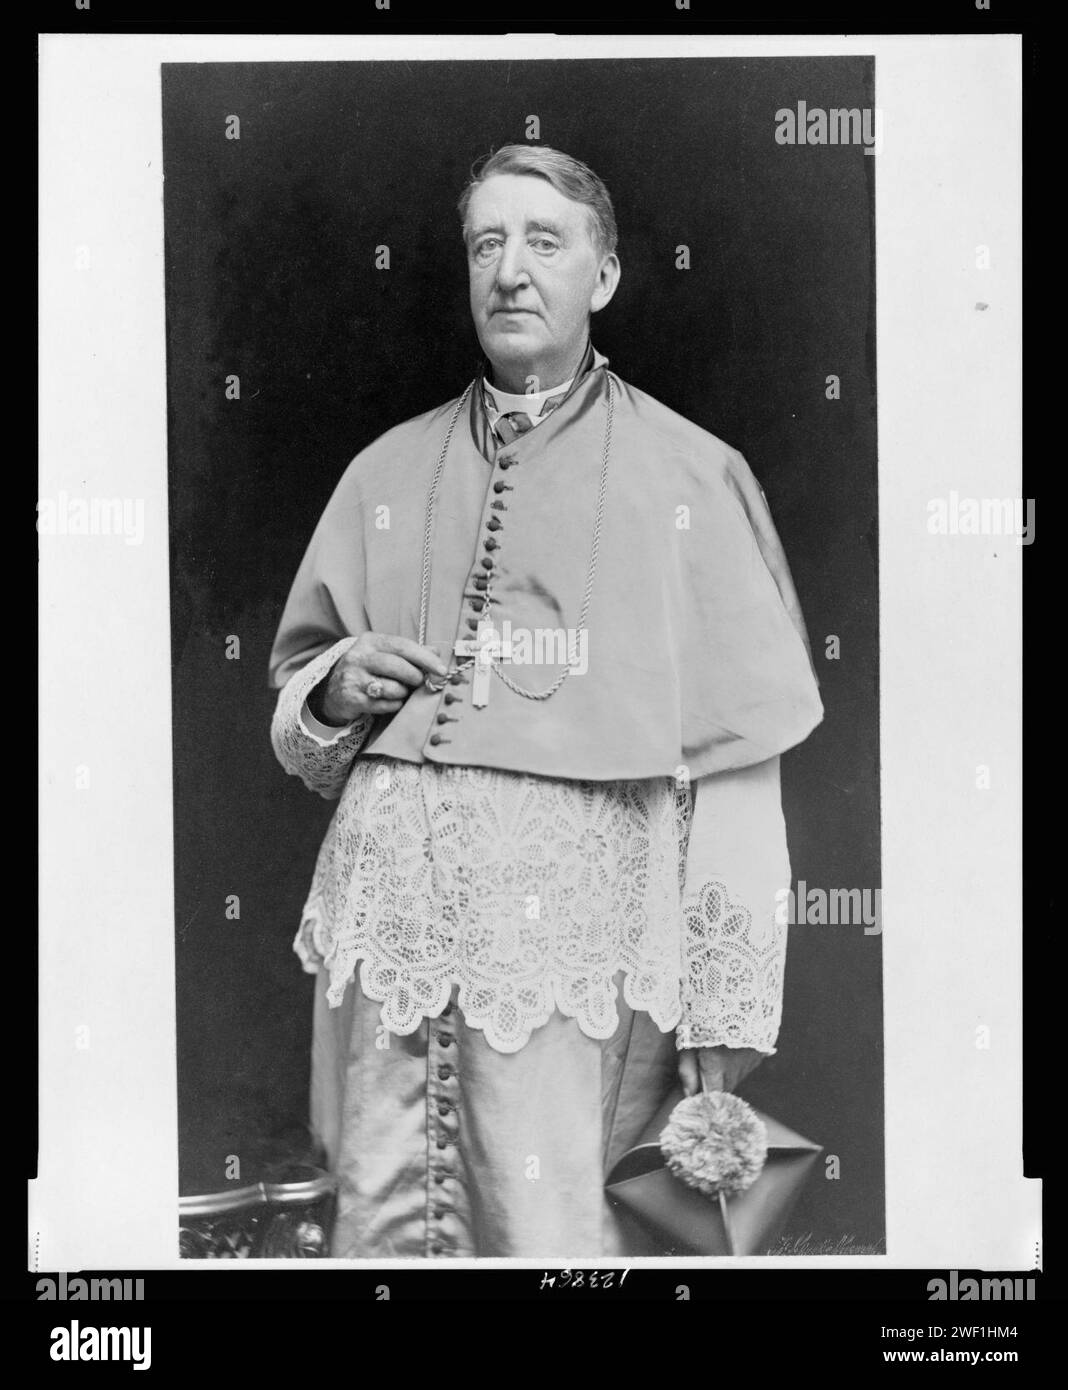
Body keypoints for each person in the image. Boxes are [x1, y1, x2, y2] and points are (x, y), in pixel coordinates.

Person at [268, 144, 823, 1258]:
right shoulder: (386, 470)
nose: (510, 272)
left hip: (573, 976)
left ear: (603, 277)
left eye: (543, 242)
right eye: (487, 244)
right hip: (390, 963)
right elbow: (298, 721)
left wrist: (723, 1013)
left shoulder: (692, 477)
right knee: (379, 1233)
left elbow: (742, 776)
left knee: (549, 1240)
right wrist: (333, 690)